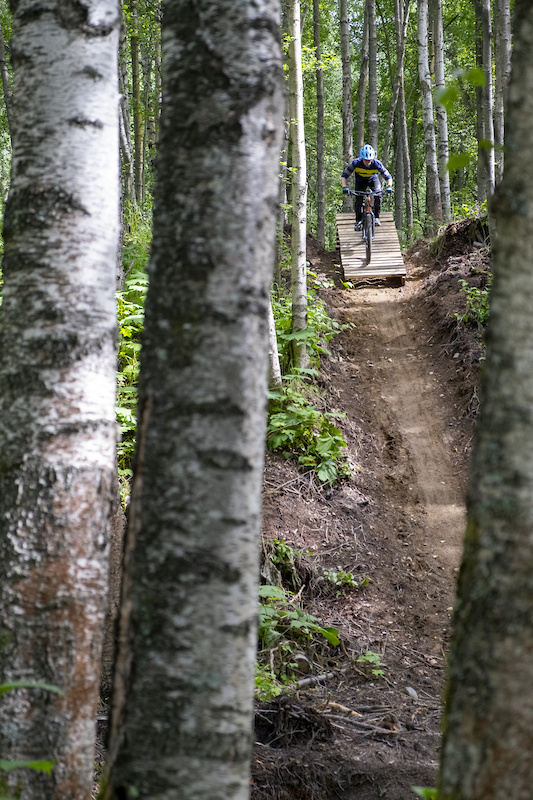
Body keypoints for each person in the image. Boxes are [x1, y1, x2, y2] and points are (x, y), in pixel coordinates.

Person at [341, 144, 393, 229]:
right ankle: (358, 220)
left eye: (369, 160)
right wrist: (344, 187)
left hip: (373, 179)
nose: (368, 162)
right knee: (358, 200)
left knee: (378, 196)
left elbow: (388, 176)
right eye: (365, 160)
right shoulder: (356, 163)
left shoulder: (377, 164)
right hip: (360, 180)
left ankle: (376, 217)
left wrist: (389, 186)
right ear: (362, 158)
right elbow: (344, 176)